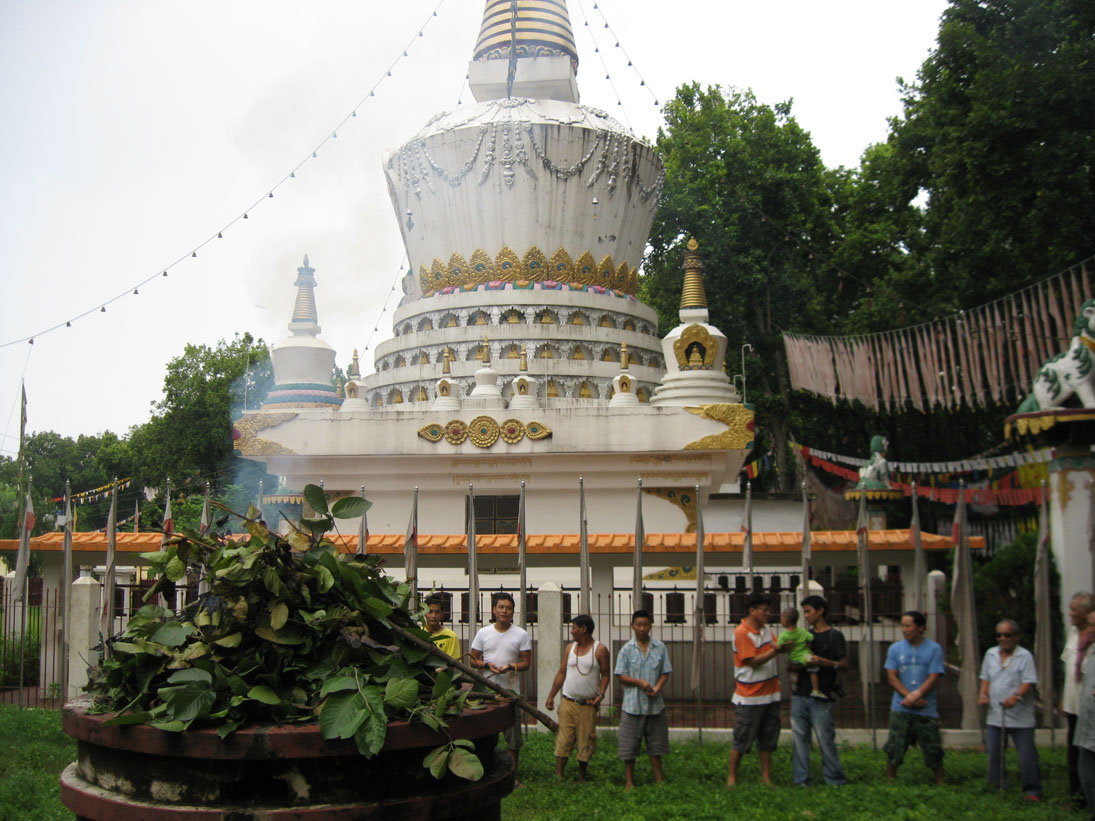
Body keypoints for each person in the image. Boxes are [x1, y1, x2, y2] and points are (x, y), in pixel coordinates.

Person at [728, 592, 790, 788]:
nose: (768, 613)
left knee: (768, 737)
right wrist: (776, 650)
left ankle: (766, 777)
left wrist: (786, 645)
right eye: (764, 610)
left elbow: (774, 645)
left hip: (770, 693)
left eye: (768, 609)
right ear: (752, 611)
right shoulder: (741, 632)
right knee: (742, 738)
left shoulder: (765, 629)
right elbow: (753, 661)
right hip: (750, 696)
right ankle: (732, 777)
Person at [788, 594, 848, 787]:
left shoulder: (834, 636)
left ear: (820, 611)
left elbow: (844, 665)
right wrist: (801, 662)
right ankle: (801, 781)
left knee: (825, 739)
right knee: (799, 741)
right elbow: (790, 666)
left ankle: (835, 779)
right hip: (800, 694)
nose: (806, 616)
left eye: (809, 611)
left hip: (821, 695)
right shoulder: (804, 636)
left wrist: (824, 662)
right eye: (804, 612)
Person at [977, 618, 1041, 800]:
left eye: (1007, 635)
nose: (1003, 638)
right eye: (999, 635)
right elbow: (985, 677)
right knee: (995, 753)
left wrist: (1016, 696)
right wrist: (983, 694)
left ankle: (1032, 789)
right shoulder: (990, 654)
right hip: (996, 714)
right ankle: (996, 785)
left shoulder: (1025, 656)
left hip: (1021, 716)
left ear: (1016, 637)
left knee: (1027, 755)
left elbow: (1029, 681)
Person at [545, 614, 611, 783]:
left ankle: (582, 776)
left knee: (585, 741)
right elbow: (562, 673)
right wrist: (551, 695)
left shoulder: (600, 649)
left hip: (587, 705)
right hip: (568, 702)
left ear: (583, 629)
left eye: (574, 628)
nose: (572, 631)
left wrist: (601, 693)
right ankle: (559, 776)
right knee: (563, 740)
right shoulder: (569, 649)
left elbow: (605, 675)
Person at [470, 592, 532, 771]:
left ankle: (513, 775)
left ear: (513, 612)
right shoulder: (483, 633)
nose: (505, 611)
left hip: (510, 693)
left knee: (513, 737)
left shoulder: (521, 634)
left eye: (509, 608)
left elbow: (526, 663)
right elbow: (472, 660)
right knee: (485, 735)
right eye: (501, 607)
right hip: (486, 692)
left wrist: (510, 667)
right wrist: (487, 665)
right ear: (494, 610)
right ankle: (486, 770)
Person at [883, 610, 946, 785]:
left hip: (926, 707)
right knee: (895, 745)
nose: (904, 629)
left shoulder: (934, 649)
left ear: (920, 627)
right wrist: (909, 697)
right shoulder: (895, 649)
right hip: (900, 706)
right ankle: (890, 780)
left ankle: (940, 781)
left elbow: (934, 676)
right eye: (902, 625)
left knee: (932, 747)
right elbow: (892, 677)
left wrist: (917, 695)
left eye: (908, 626)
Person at [614, 609, 672, 789]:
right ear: (632, 626)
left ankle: (659, 779)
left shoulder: (660, 647)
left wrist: (657, 687)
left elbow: (665, 672)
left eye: (645, 624)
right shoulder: (626, 650)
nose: (642, 628)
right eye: (638, 624)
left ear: (650, 626)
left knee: (657, 746)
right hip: (632, 706)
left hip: (655, 707)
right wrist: (638, 682)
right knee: (629, 746)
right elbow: (620, 676)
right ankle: (629, 781)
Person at [1062, 592, 1095, 804]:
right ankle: (1078, 796)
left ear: (1086, 613)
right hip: (1074, 704)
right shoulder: (1074, 634)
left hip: (1090, 710)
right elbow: (1066, 666)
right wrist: (1063, 698)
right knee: (1074, 753)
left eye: (1074, 609)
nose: (1070, 613)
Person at [1073, 609, 1095, 811]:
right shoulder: (1090, 651)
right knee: (1086, 775)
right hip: (1087, 726)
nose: (1089, 629)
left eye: (1092, 625)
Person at [776, 606, 824, 699]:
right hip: (805, 656)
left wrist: (773, 644)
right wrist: (807, 647)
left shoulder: (783, 636)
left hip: (794, 658)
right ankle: (816, 689)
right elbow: (811, 638)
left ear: (785, 621)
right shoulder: (802, 631)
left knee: (795, 674)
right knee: (813, 670)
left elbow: (779, 646)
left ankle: (795, 687)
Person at [423, 593, 460, 658]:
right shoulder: (419, 633)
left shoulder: (451, 636)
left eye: (437, 612)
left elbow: (453, 663)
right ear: (424, 613)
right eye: (430, 612)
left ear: (441, 614)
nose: (433, 616)